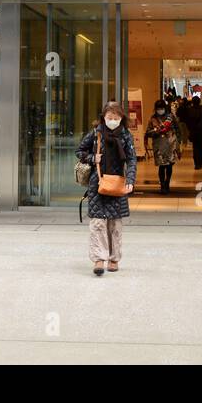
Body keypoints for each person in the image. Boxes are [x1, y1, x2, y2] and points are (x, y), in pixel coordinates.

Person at [76, 101, 137, 276]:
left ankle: (114, 258)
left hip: (118, 183)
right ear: (104, 117)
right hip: (98, 183)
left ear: (121, 118)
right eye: (110, 117)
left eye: (116, 118)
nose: (113, 121)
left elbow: (132, 159)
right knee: (97, 222)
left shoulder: (125, 136)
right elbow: (79, 151)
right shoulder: (96, 133)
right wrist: (92, 158)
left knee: (115, 224)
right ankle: (98, 259)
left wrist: (131, 179)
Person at [146, 99, 180, 194]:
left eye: (161, 108)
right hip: (159, 146)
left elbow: (177, 129)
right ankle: (162, 185)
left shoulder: (170, 117)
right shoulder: (153, 119)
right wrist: (156, 131)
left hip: (170, 145)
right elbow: (148, 132)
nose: (160, 110)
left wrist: (178, 142)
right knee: (161, 166)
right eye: (158, 108)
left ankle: (167, 183)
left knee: (169, 165)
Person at [182, 95, 202, 169]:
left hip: (193, 132)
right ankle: (200, 162)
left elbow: (187, 121)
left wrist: (190, 129)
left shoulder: (189, 110)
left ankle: (196, 163)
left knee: (195, 147)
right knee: (201, 147)